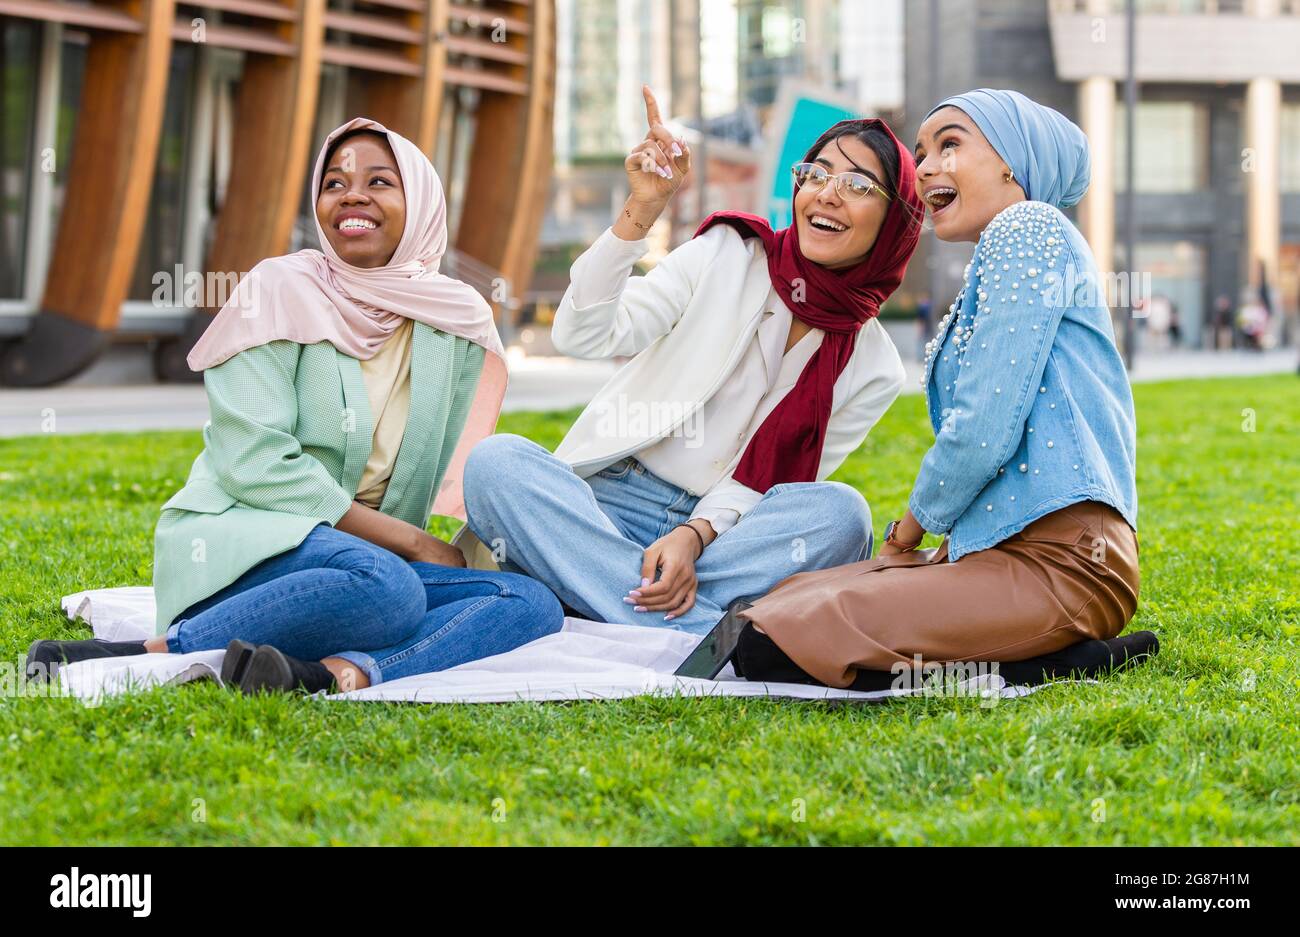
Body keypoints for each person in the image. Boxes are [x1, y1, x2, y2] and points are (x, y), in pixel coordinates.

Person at [28, 118, 563, 693]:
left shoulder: (455, 320)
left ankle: (326, 675)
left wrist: (423, 546)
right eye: (334, 183)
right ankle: (150, 651)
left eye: (380, 181)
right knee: (388, 588)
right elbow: (255, 464)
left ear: (423, 202)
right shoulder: (278, 289)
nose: (352, 193)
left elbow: (432, 466)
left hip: (364, 562)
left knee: (527, 600)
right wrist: (409, 541)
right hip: (254, 538)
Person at [460, 86, 923, 635]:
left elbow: (775, 483)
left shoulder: (873, 367)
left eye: (857, 185)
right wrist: (642, 212)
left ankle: (594, 593)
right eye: (816, 174)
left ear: (896, 220)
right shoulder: (727, 254)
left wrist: (694, 533)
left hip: (723, 543)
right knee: (496, 463)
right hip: (602, 504)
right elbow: (585, 332)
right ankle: (699, 631)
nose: (826, 194)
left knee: (842, 516)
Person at [732, 89, 1144, 688]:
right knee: (790, 596)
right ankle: (1033, 658)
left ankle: (1047, 661)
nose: (924, 167)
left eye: (950, 144)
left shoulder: (1030, 227)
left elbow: (984, 425)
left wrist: (909, 531)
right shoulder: (999, 255)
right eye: (921, 151)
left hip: (1066, 564)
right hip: (997, 554)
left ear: (1012, 162)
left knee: (776, 639)